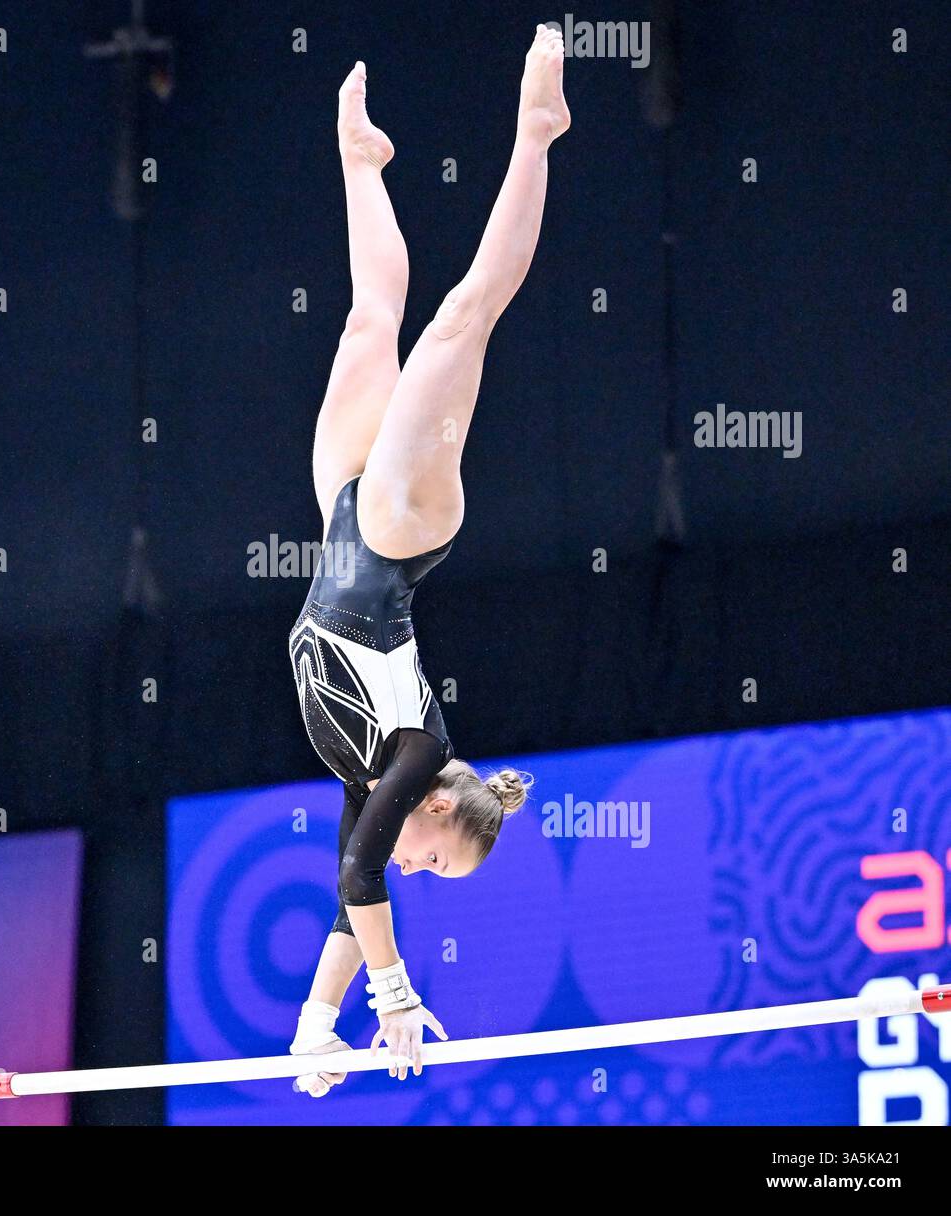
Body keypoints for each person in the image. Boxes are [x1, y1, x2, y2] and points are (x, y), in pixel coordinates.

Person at [285, 25, 569, 1096]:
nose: (415, 869)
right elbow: (366, 874)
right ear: (441, 809)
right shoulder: (411, 753)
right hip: (399, 530)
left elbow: (349, 892)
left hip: (337, 514)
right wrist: (395, 997)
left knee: (371, 318)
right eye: (436, 858)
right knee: (459, 319)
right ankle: (536, 134)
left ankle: (363, 166)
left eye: (427, 876)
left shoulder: (374, 788)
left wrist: (320, 1024)